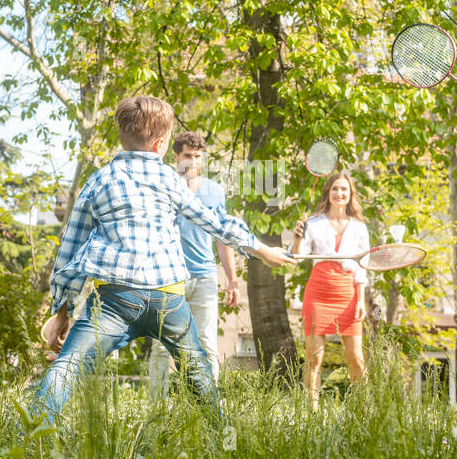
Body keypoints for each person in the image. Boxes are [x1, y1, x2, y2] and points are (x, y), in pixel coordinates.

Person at [34, 95, 296, 422]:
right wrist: (263, 249)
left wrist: (62, 310)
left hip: (114, 300)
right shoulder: (168, 179)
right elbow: (214, 221)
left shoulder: (99, 180)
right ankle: (227, 445)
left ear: (122, 135)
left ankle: (23, 439)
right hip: (167, 300)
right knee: (199, 374)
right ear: (160, 145)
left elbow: (70, 251)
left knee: (68, 367)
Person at [147, 131, 242, 402]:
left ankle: (208, 408)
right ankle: (158, 411)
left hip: (204, 277)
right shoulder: (163, 188)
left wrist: (232, 280)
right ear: (175, 157)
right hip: (168, 277)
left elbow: (221, 236)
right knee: (162, 348)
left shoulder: (214, 191)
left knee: (207, 345)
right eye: (187, 156)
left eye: (198, 156)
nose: (192, 161)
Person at [290, 171, 370, 411]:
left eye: (344, 189)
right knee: (315, 357)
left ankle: (363, 410)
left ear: (350, 195)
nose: (339, 193)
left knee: (355, 358)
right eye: (335, 189)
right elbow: (298, 256)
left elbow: (362, 267)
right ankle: (311, 413)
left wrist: (361, 300)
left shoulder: (359, 227)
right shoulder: (313, 223)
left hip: (347, 293)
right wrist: (296, 238)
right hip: (319, 290)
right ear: (328, 192)